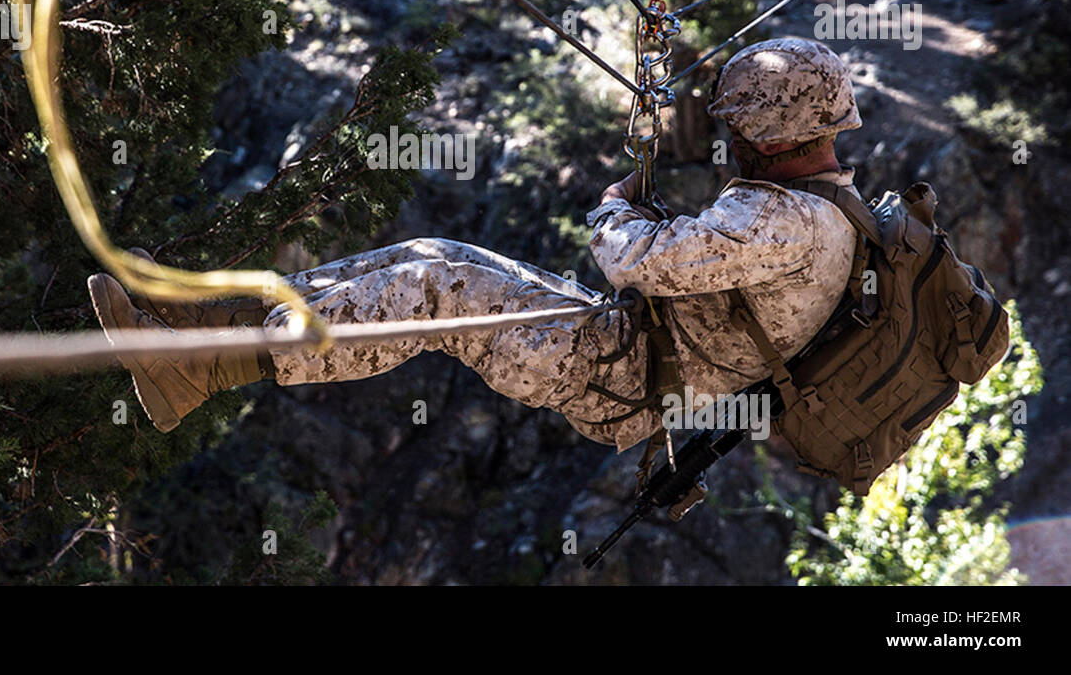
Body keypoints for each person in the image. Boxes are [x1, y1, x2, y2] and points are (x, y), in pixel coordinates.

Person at [89, 37, 862, 452]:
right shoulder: (828, 209)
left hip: (619, 371)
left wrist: (612, 210)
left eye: (737, 128)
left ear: (769, 128)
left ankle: (200, 370)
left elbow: (631, 258)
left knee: (433, 293)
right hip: (626, 346)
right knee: (429, 254)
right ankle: (204, 324)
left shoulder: (790, 221)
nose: (729, 143)